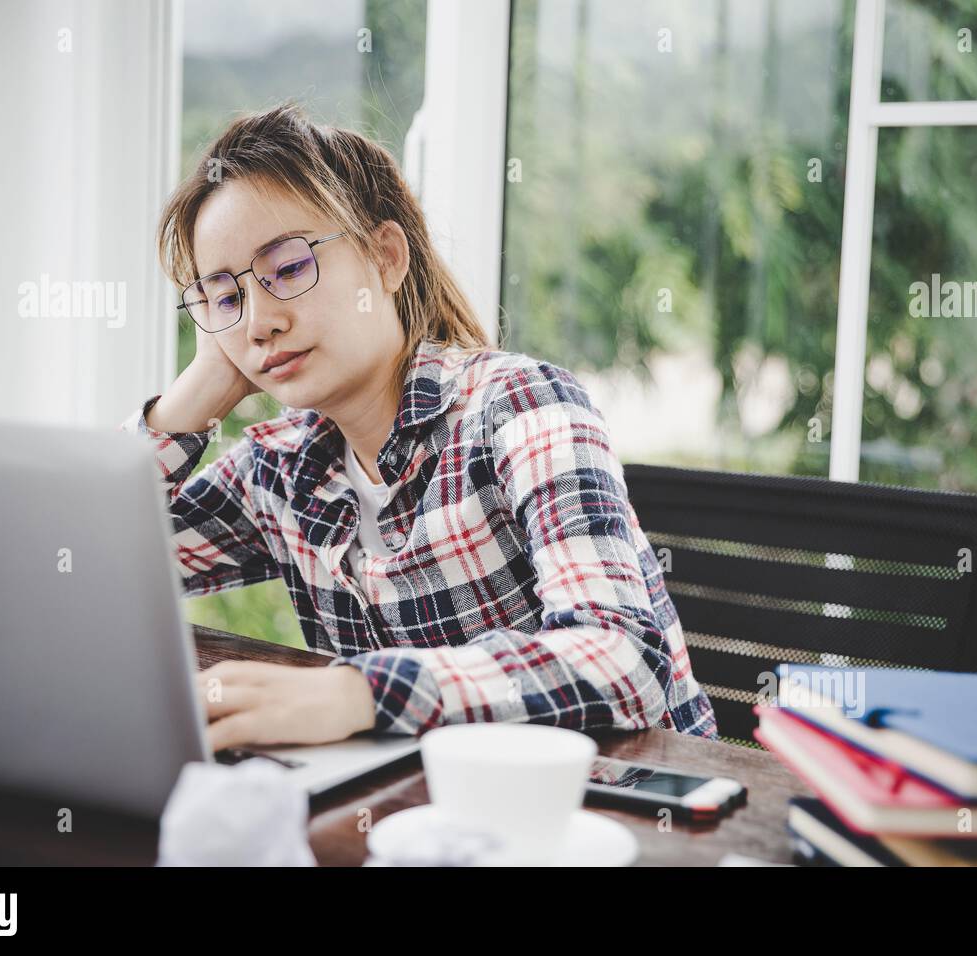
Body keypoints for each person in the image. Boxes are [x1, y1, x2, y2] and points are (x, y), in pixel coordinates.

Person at [118, 102, 716, 751]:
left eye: (288, 268)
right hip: (424, 814)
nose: (259, 320)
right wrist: (201, 387)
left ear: (386, 258)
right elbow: (93, 562)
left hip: (628, 807)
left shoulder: (521, 406)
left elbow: (625, 661)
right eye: (228, 296)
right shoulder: (281, 467)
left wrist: (362, 693)